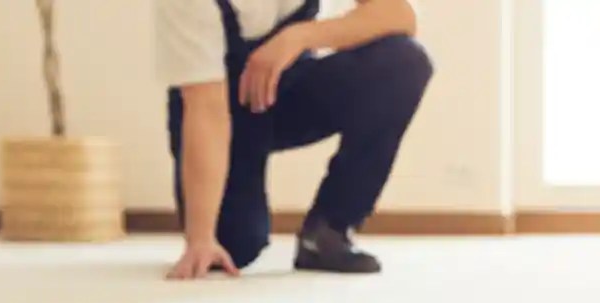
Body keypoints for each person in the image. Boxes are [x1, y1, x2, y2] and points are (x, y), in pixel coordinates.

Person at [156, 0, 431, 280]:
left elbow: (399, 14)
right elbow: (205, 110)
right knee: (234, 246)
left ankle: (328, 231)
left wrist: (299, 37)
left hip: (287, 86)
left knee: (404, 62)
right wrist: (201, 238)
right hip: (218, 109)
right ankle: (213, 233)